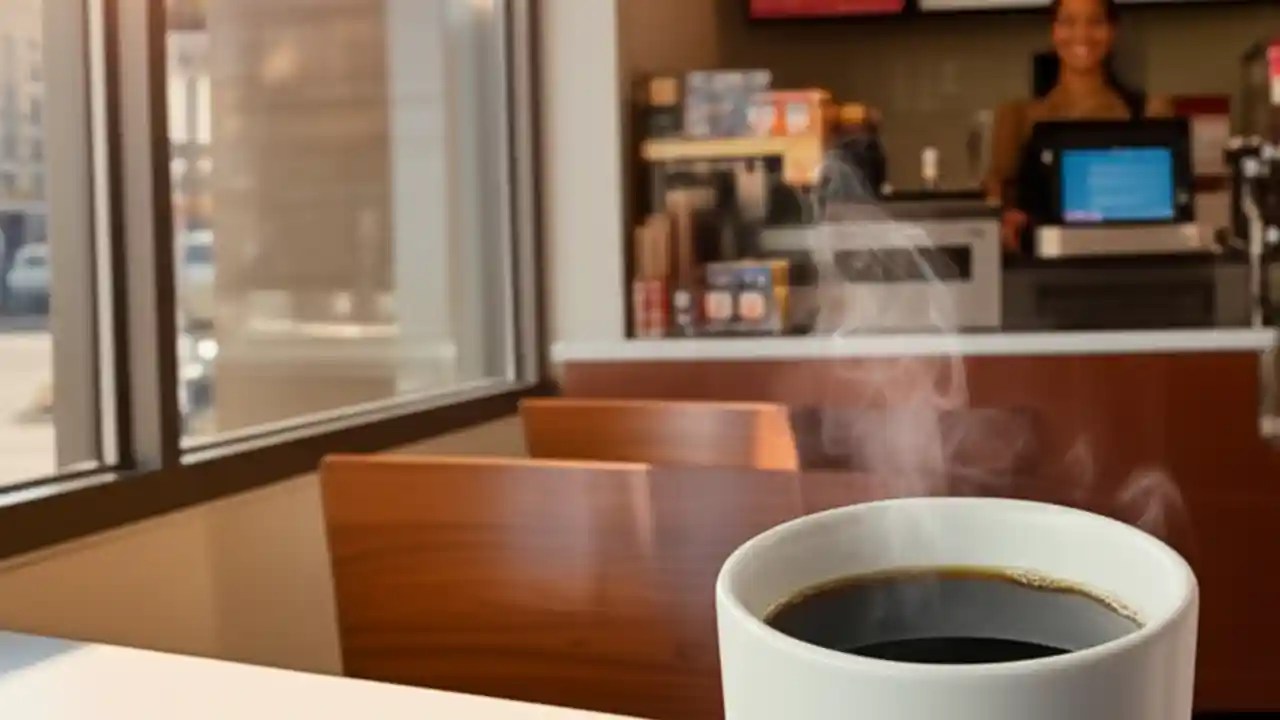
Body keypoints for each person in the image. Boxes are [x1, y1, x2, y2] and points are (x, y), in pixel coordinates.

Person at [985, 0, 1173, 252]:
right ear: (1053, 31)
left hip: (1131, 264)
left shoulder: (1150, 110)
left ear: (1113, 31)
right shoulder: (1017, 117)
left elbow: (1168, 208)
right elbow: (997, 199)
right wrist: (1004, 221)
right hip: (1041, 276)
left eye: (1095, 22)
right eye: (1068, 22)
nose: (1082, 34)